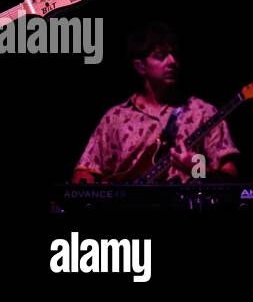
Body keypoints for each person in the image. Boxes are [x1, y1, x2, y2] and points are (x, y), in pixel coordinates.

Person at [72, 21, 239, 184]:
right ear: (140, 67)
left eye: (174, 55)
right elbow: (85, 171)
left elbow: (230, 178)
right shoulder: (115, 117)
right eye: (161, 56)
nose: (172, 62)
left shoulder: (203, 112)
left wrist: (198, 169)